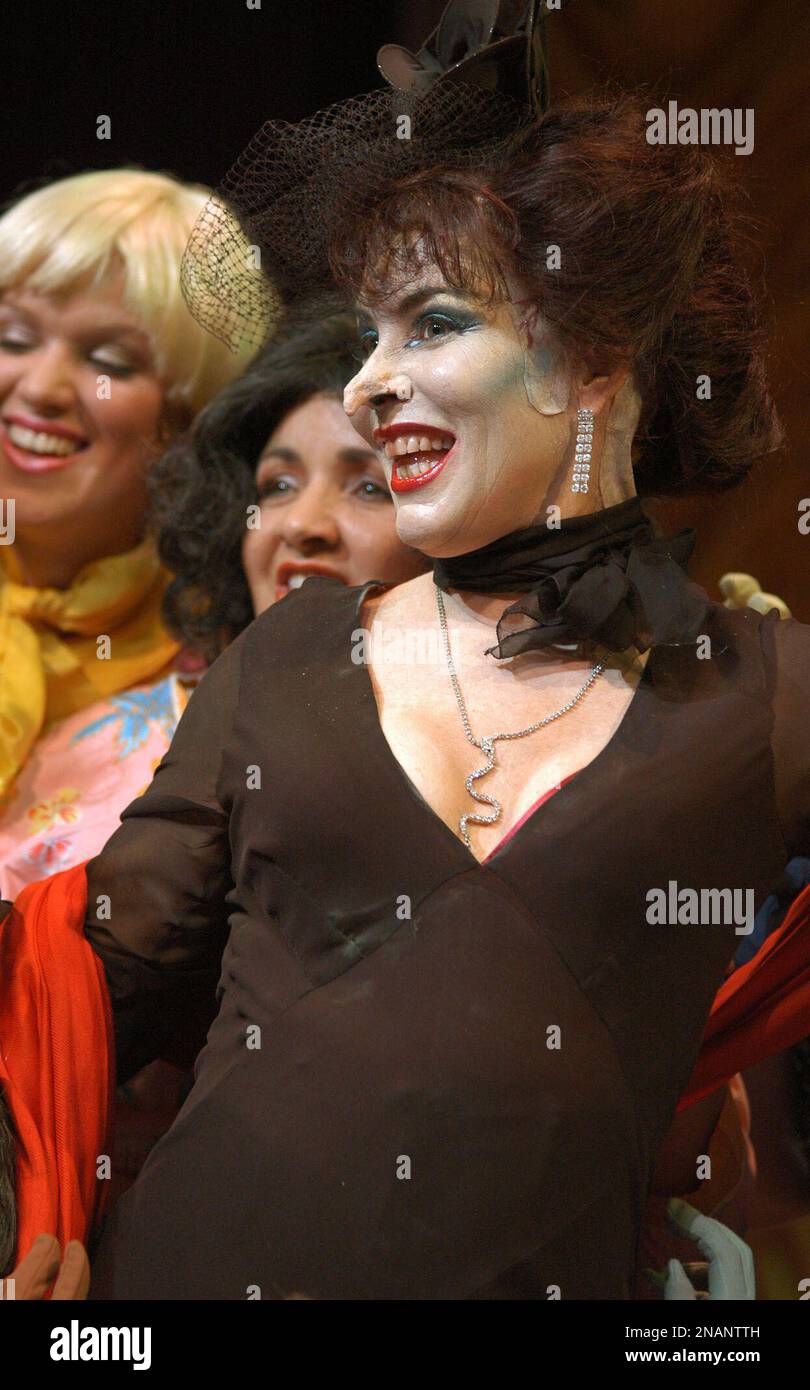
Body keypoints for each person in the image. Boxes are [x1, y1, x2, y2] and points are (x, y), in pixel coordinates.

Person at [8, 1, 810, 1299]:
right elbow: (92, 972)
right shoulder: (292, 656)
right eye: (370, 334)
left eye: (430, 326)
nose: (372, 383)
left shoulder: (765, 693)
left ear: (593, 361)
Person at [0, 167, 248, 898]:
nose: (42, 388)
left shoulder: (225, 675)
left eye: (109, 362)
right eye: (13, 338)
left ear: (189, 419)